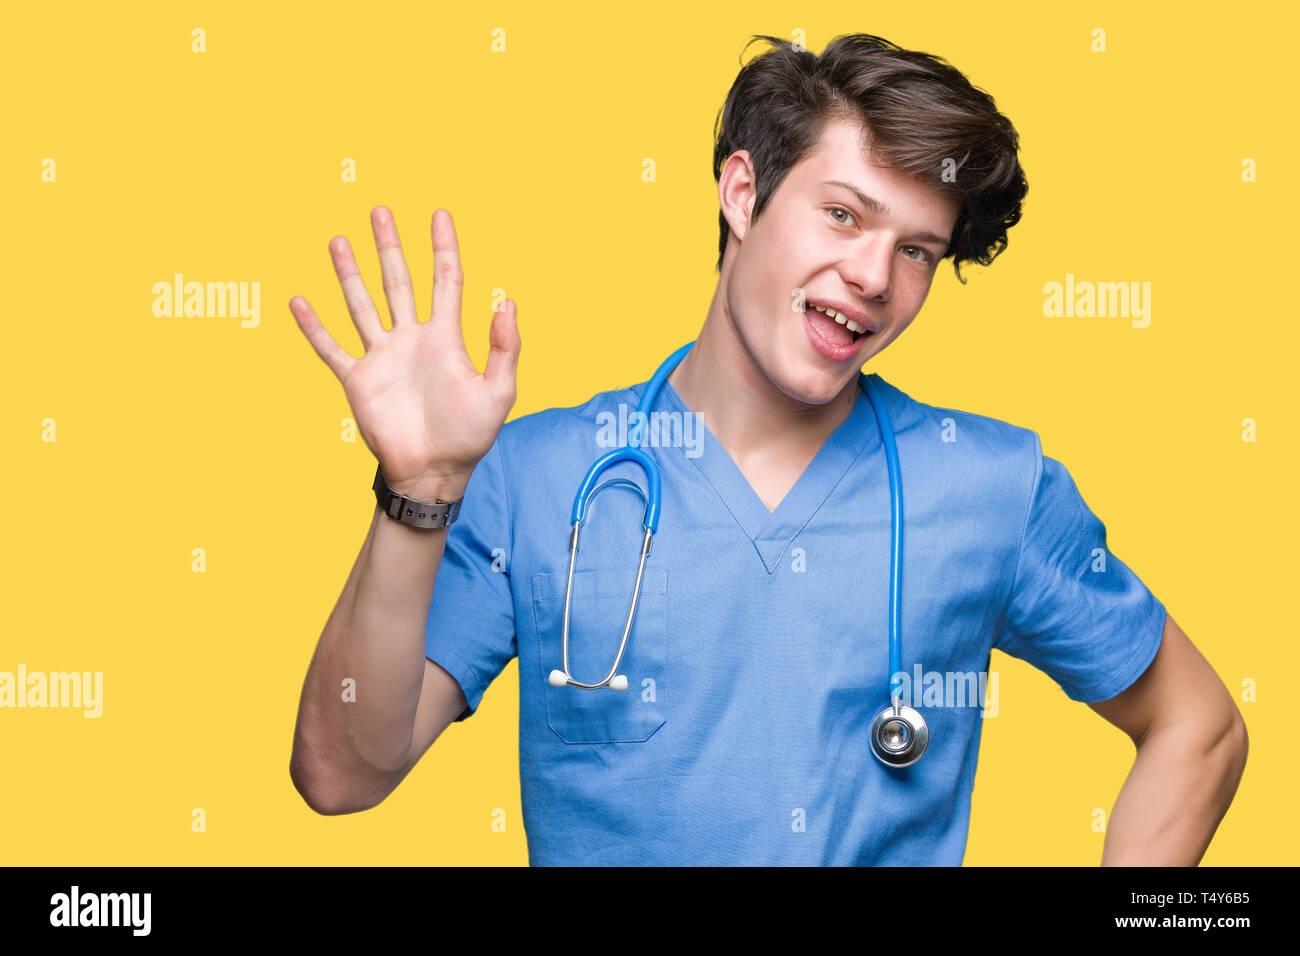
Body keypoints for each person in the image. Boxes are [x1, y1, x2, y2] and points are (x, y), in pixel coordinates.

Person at [286, 33, 1247, 865]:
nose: (874, 276)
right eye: (843, 214)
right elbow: (340, 775)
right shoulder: (536, 477)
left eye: (917, 250)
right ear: (742, 193)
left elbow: (1197, 726)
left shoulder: (994, 487)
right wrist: (418, 490)